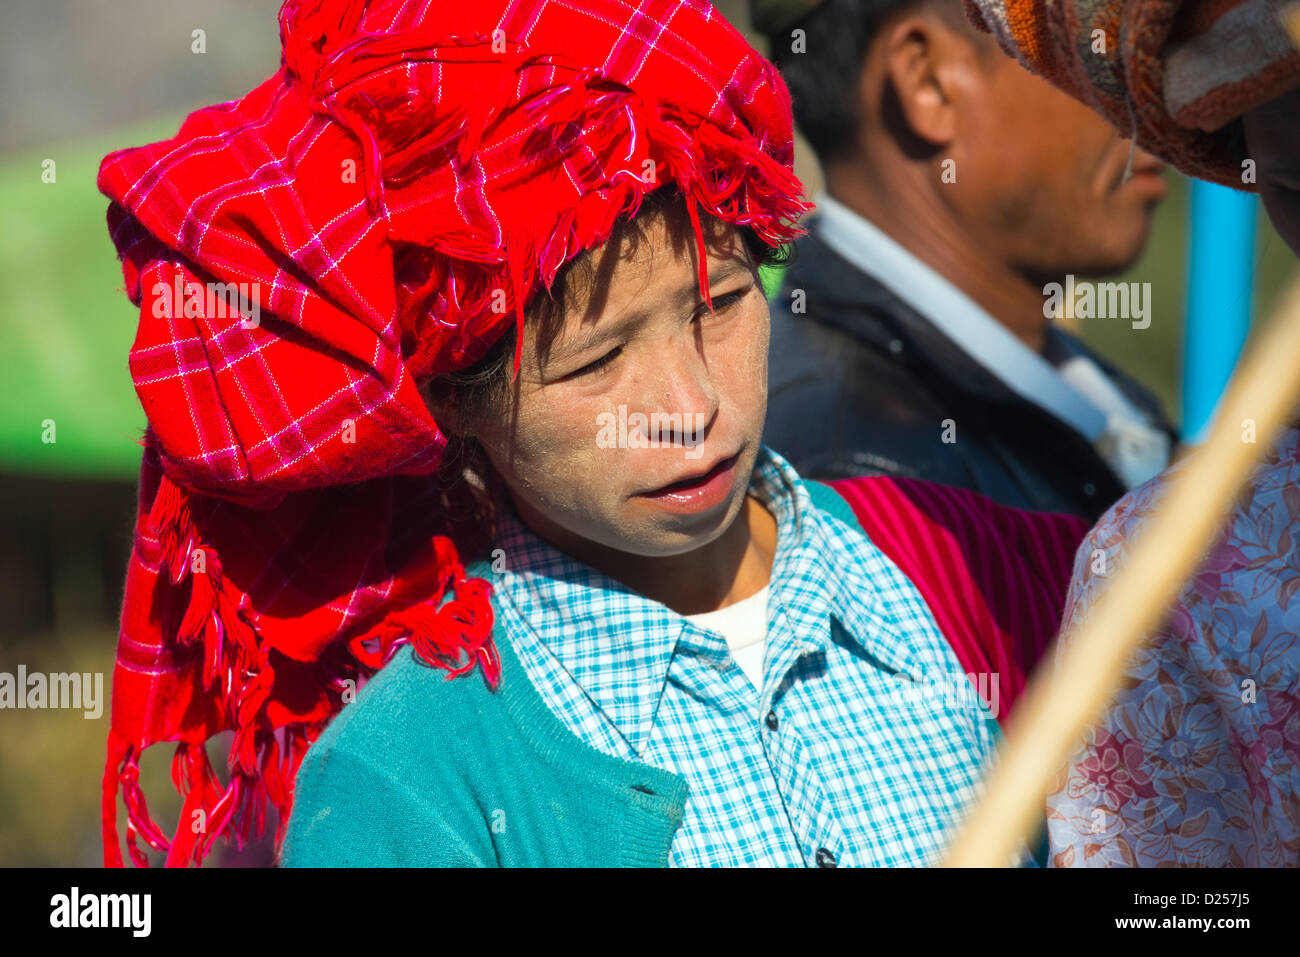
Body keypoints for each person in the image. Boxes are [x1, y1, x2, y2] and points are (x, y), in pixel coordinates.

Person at [98, 0, 1087, 869]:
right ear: (452, 402)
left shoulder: (985, 577)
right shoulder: (409, 786)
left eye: (720, 304)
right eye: (593, 362)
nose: (688, 406)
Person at [753, 0, 1179, 524]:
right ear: (929, 80)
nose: (1156, 102)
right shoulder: (870, 486)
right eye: (1098, 50)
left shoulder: (1072, 388)